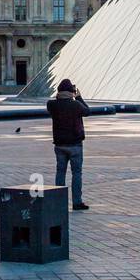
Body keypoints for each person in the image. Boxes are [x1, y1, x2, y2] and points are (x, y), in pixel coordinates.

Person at [47, 79, 90, 210]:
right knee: (76, 173)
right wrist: (79, 97)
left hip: (59, 145)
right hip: (75, 145)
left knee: (60, 172)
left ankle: (59, 202)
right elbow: (87, 111)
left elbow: (53, 105)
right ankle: (77, 202)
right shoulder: (76, 104)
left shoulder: (52, 105)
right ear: (71, 91)